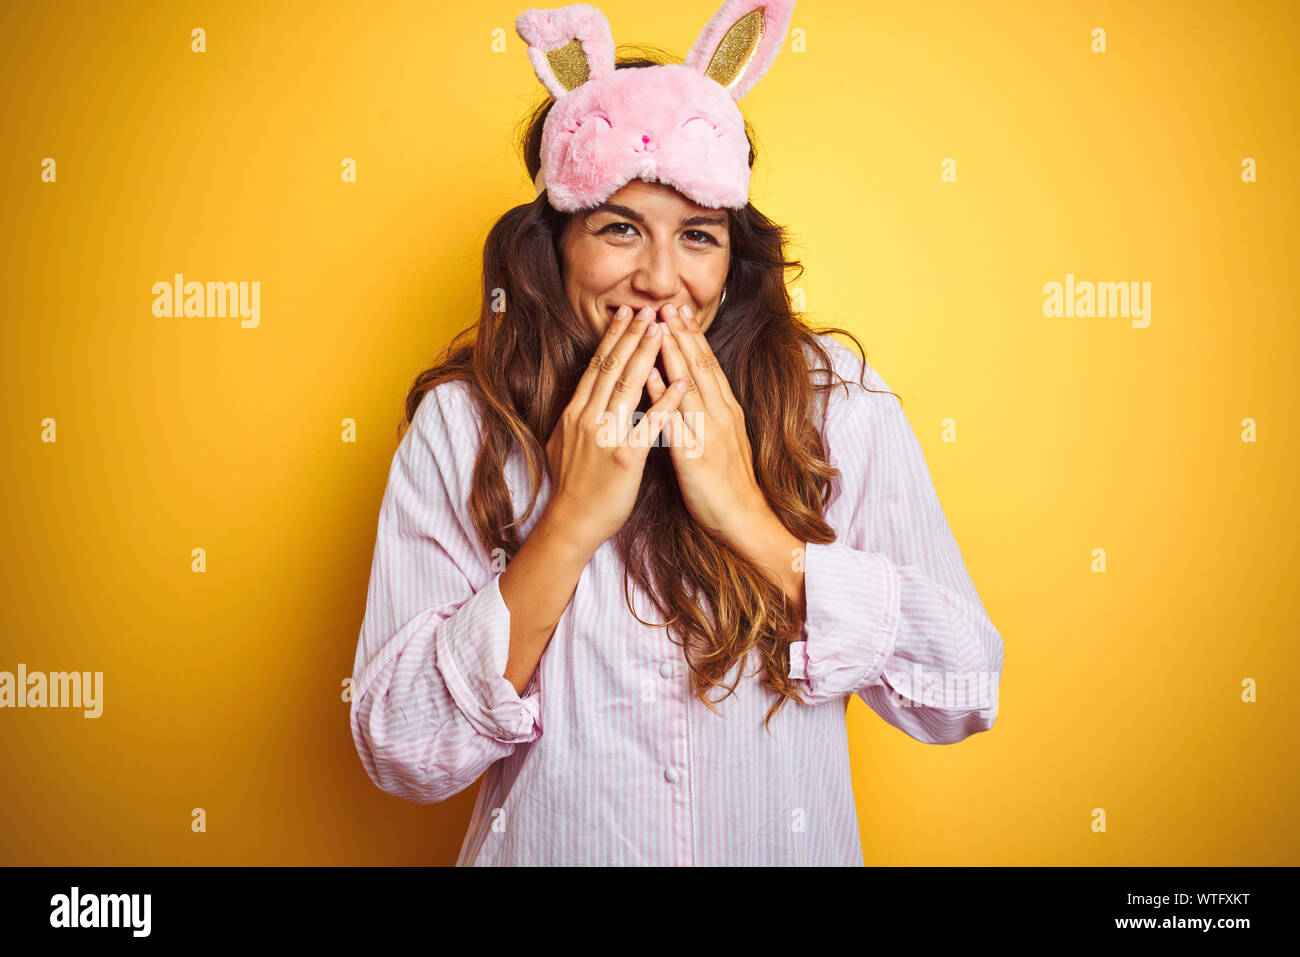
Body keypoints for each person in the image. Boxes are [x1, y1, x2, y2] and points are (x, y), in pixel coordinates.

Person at [348, 0, 1004, 866]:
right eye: (620, 228)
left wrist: (752, 520)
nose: (661, 280)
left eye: (697, 236)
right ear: (556, 246)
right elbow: (400, 748)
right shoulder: (467, 425)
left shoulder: (834, 405)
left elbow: (962, 685)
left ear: (734, 259)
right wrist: (570, 524)